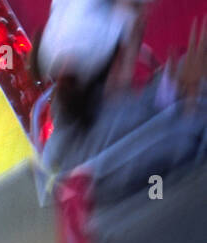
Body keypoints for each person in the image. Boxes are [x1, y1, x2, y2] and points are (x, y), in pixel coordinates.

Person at [39, 0, 207, 203]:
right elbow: (184, 147)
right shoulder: (144, 147)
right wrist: (192, 97)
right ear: (117, 59)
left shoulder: (67, 139)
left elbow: (136, 115)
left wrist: (175, 88)